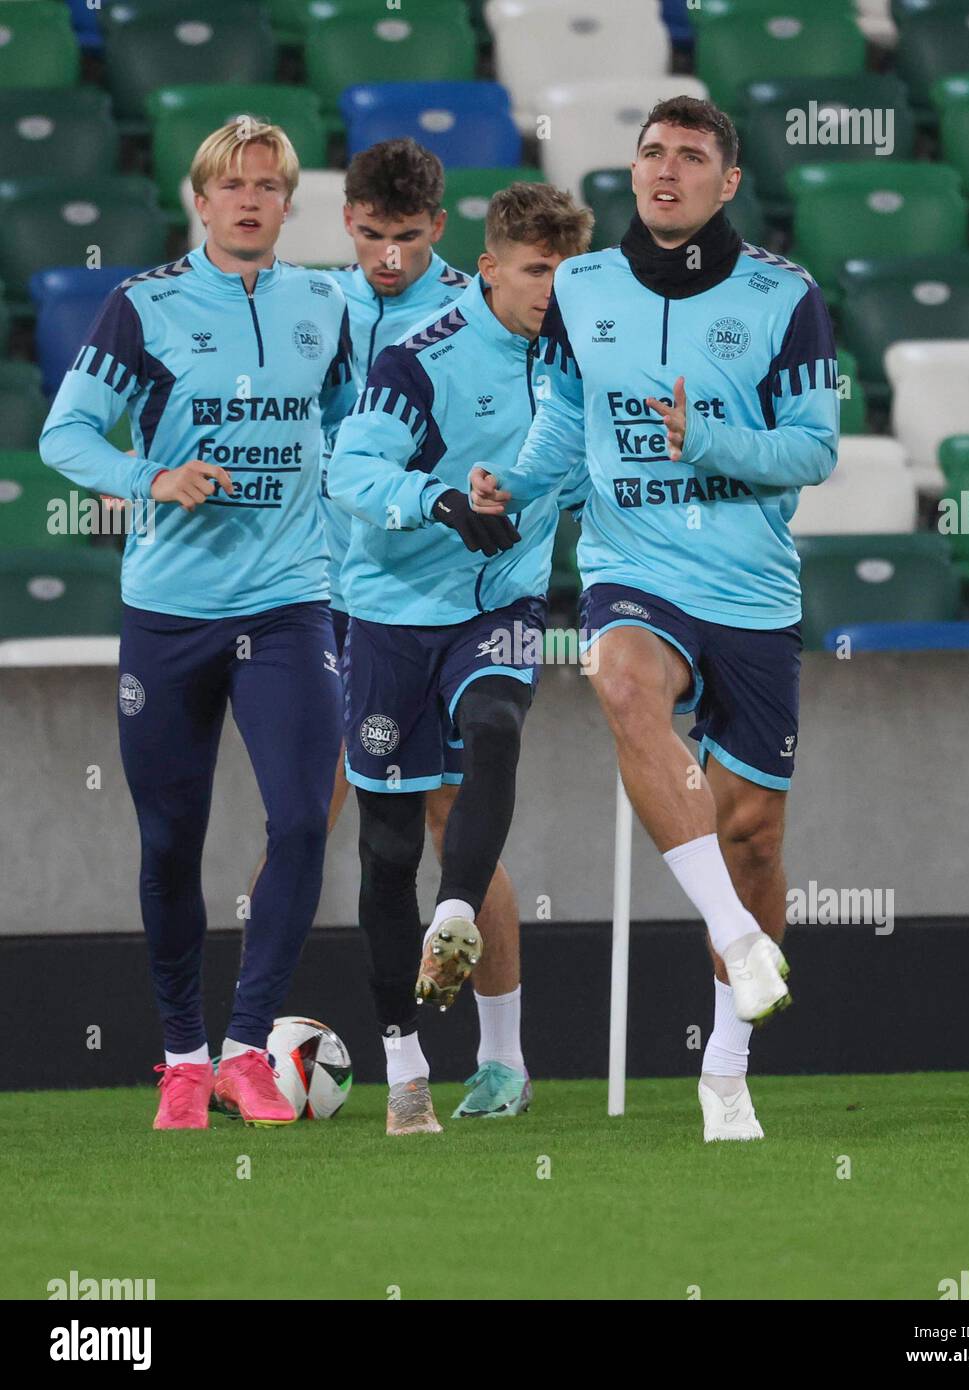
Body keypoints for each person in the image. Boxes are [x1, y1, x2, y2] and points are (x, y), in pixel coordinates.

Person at [470, 96, 839, 1142]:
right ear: (630, 176)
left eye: (689, 157)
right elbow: (562, 431)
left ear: (726, 184)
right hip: (631, 562)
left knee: (752, 835)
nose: (663, 171)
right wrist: (515, 491)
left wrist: (712, 437)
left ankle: (725, 1066)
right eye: (648, 155)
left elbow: (813, 449)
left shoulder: (783, 295)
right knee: (622, 684)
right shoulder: (581, 288)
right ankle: (735, 932)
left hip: (750, 588)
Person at [39, 121, 357, 1129]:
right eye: (233, 186)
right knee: (171, 840)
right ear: (200, 200)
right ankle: (180, 1059)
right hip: (171, 613)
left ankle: (246, 1048)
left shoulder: (327, 303)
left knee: (304, 820)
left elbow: (355, 429)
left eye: (268, 185)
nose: (251, 200)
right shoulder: (146, 306)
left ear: (287, 202)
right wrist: (151, 478)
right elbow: (65, 433)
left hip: (289, 601)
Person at [328, 183, 592, 1135]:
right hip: (394, 609)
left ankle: (459, 927)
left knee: (493, 726)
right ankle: (404, 1066)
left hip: (505, 602)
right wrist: (441, 502)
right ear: (487, 266)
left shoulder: (586, 365)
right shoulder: (418, 358)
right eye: (535, 272)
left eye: (568, 275)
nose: (551, 294)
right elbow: (349, 471)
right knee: (387, 844)